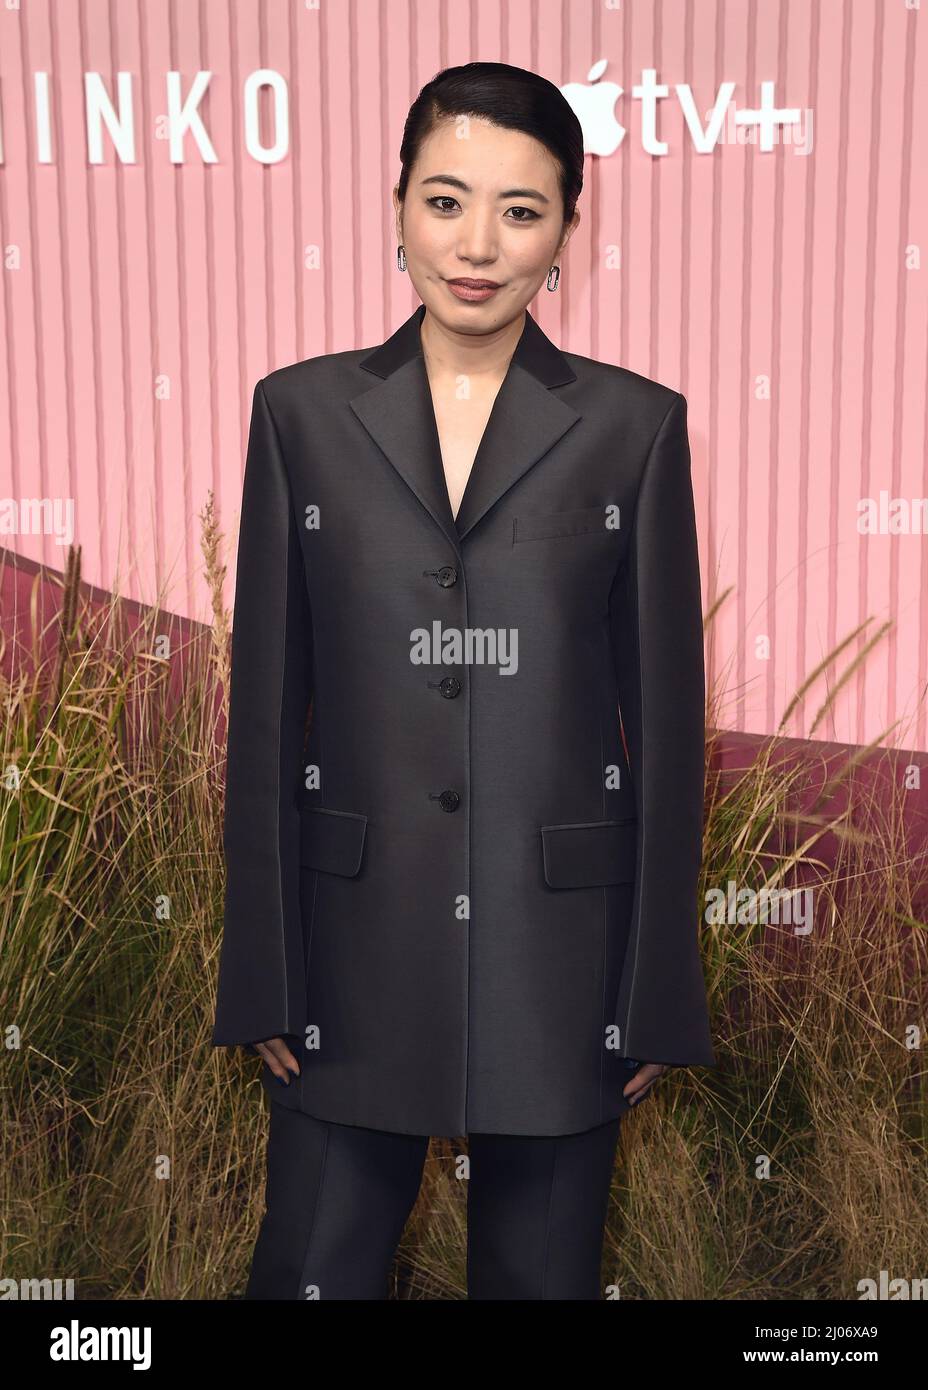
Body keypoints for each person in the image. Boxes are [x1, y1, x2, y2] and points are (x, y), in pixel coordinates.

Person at [212, 60, 715, 1300]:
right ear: (394, 210)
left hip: (563, 963)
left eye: (520, 209)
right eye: (444, 201)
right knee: (309, 1275)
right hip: (345, 953)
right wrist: (264, 965)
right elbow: (269, 712)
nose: (476, 244)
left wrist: (652, 988)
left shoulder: (633, 428)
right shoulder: (301, 413)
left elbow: (664, 719)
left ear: (566, 233)